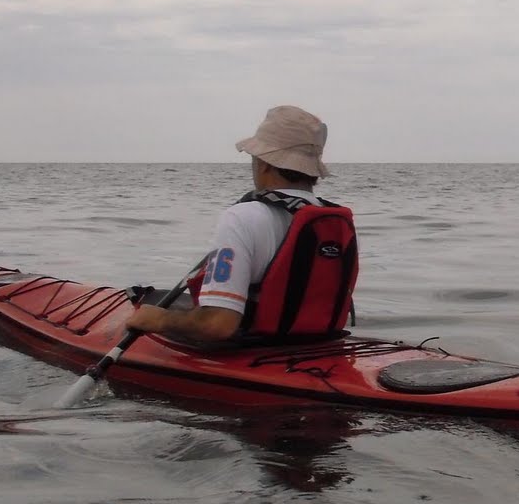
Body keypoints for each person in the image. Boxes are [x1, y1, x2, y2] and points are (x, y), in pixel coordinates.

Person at [125, 105, 359, 344]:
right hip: (320, 345)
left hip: (256, 348)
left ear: (264, 162)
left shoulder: (243, 217)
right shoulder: (333, 220)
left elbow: (217, 325)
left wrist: (160, 320)